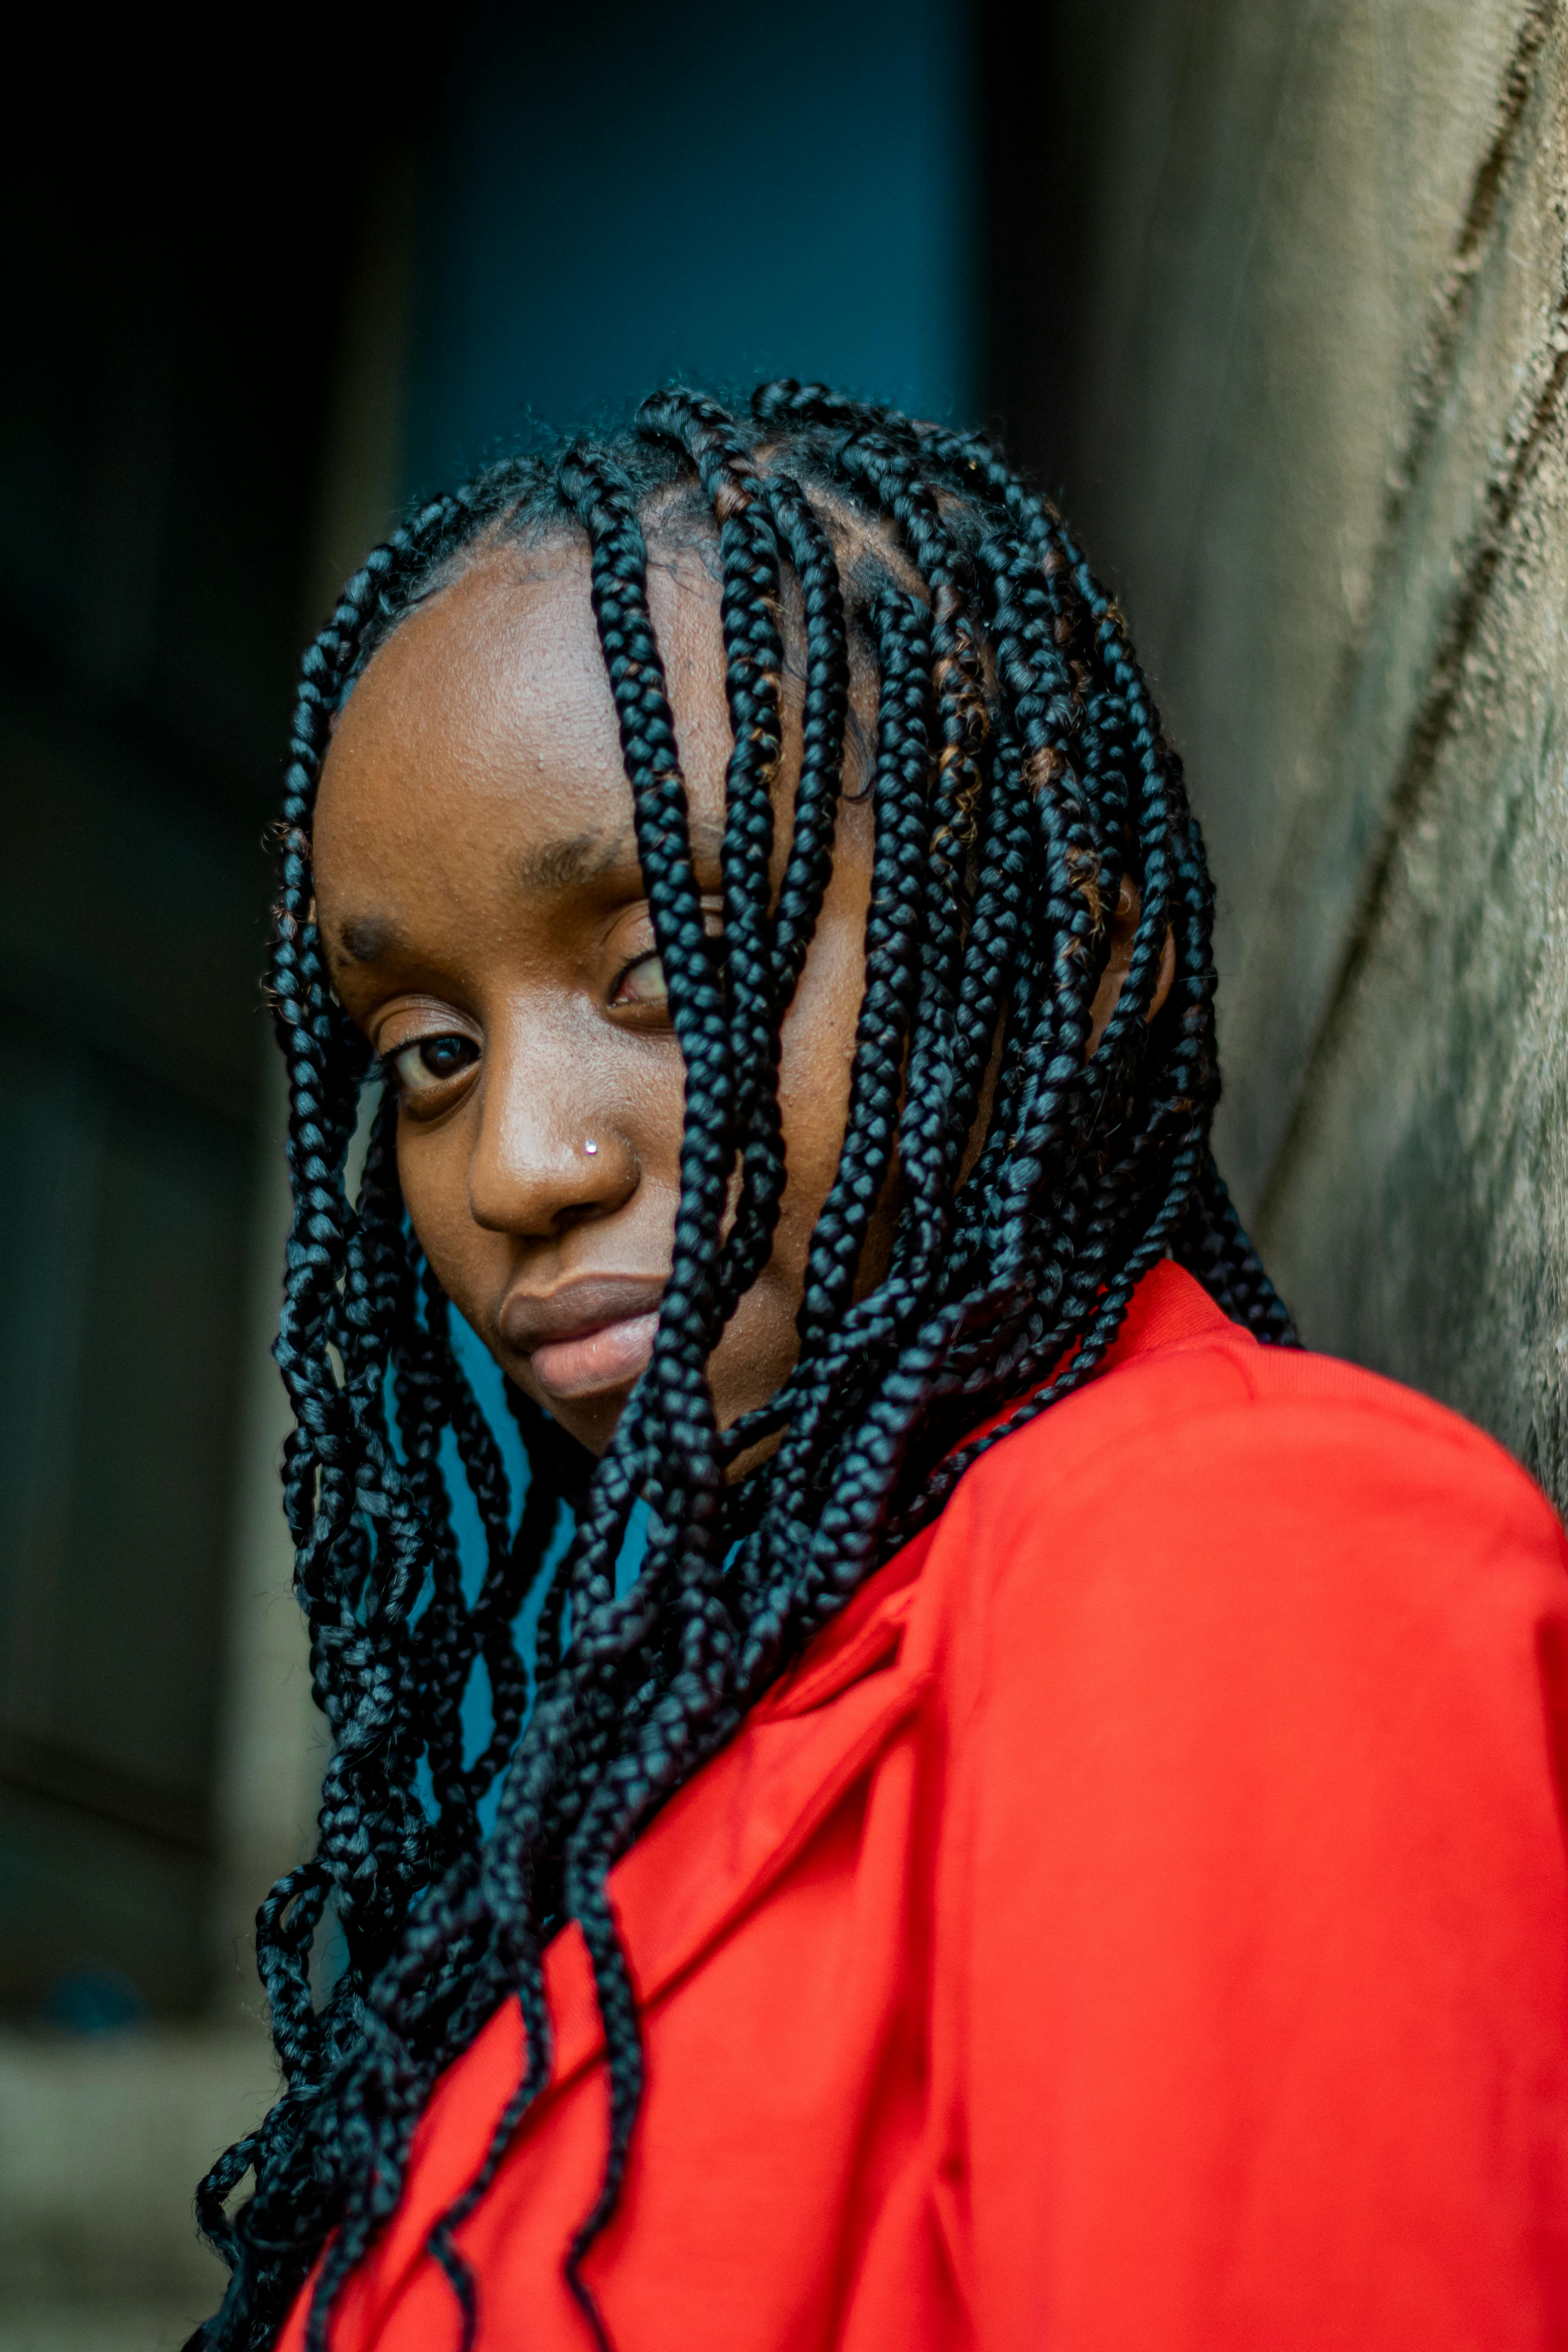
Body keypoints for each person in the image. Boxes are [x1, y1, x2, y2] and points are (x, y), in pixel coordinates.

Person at [191, 384, 1568, 2352]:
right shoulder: (668, 1774)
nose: (515, 1165)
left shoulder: (1232, 1555)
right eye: (431, 1052)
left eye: (665, 979)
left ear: (1067, 946)